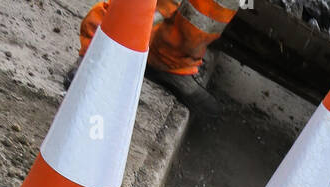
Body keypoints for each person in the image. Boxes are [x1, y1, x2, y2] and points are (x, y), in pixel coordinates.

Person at [78, 0, 241, 110]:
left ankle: (171, 59)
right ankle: (97, 52)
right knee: (146, 5)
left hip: (174, 54)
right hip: (108, 40)